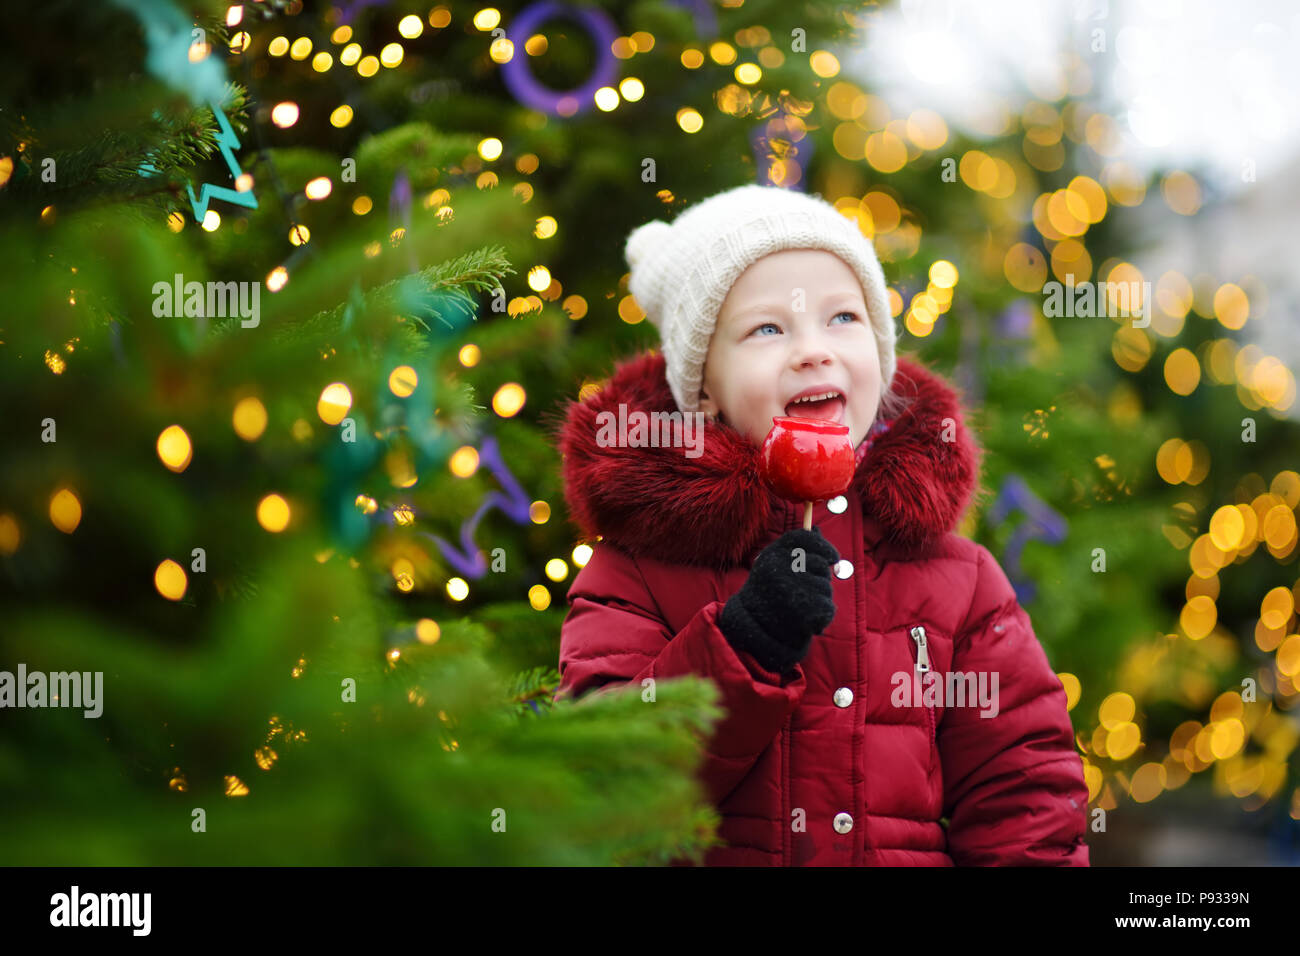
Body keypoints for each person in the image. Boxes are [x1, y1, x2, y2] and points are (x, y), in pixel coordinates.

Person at [552, 183, 1089, 866]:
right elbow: (606, 789)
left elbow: (1025, 794)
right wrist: (744, 646)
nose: (814, 350)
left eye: (843, 318)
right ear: (705, 389)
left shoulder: (960, 580)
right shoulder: (637, 568)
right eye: (768, 329)